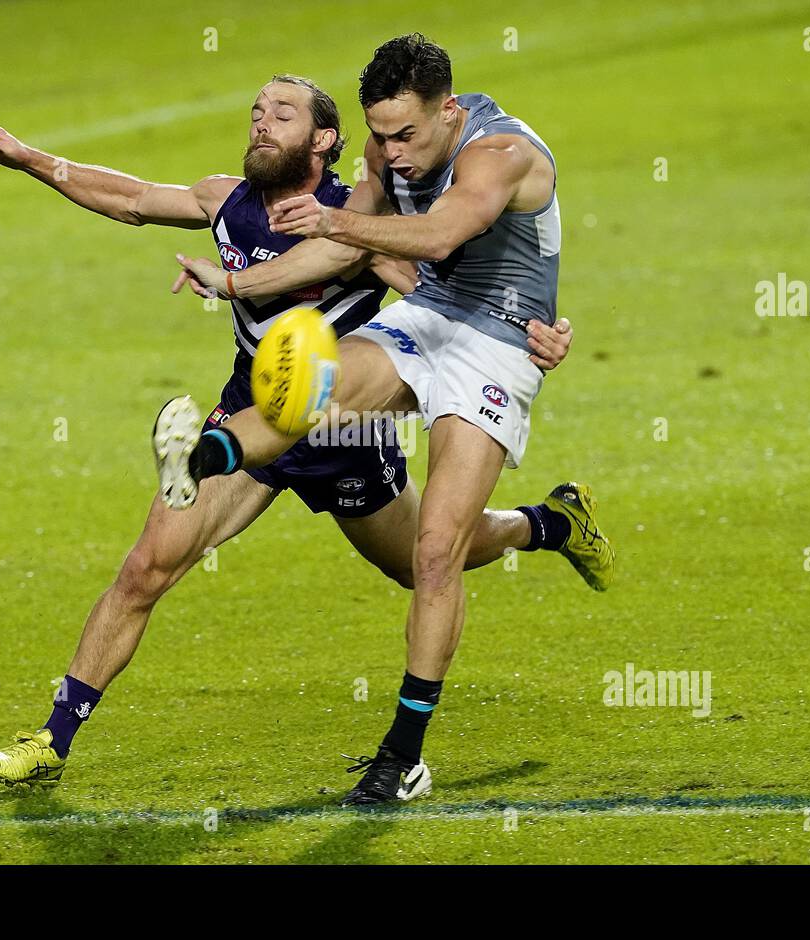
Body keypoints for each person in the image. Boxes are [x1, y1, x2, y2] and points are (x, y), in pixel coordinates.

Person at [0, 73, 578, 789]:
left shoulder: (354, 216)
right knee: (144, 569)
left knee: (424, 562)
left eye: (282, 114)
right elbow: (128, 198)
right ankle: (50, 742)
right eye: (255, 111)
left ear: (324, 139)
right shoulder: (225, 201)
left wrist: (534, 333)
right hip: (250, 418)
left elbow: (444, 303)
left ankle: (543, 524)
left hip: (345, 437)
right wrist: (30, 157)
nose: (260, 122)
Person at [161, 36, 615, 806]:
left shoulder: (500, 153)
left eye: (408, 134)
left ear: (449, 109)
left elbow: (435, 234)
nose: (392, 151)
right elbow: (340, 254)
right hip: (430, 314)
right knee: (315, 386)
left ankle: (403, 755)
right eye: (381, 133)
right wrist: (238, 282)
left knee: (436, 552)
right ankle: (201, 457)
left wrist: (336, 225)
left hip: (497, 347)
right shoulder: (382, 149)